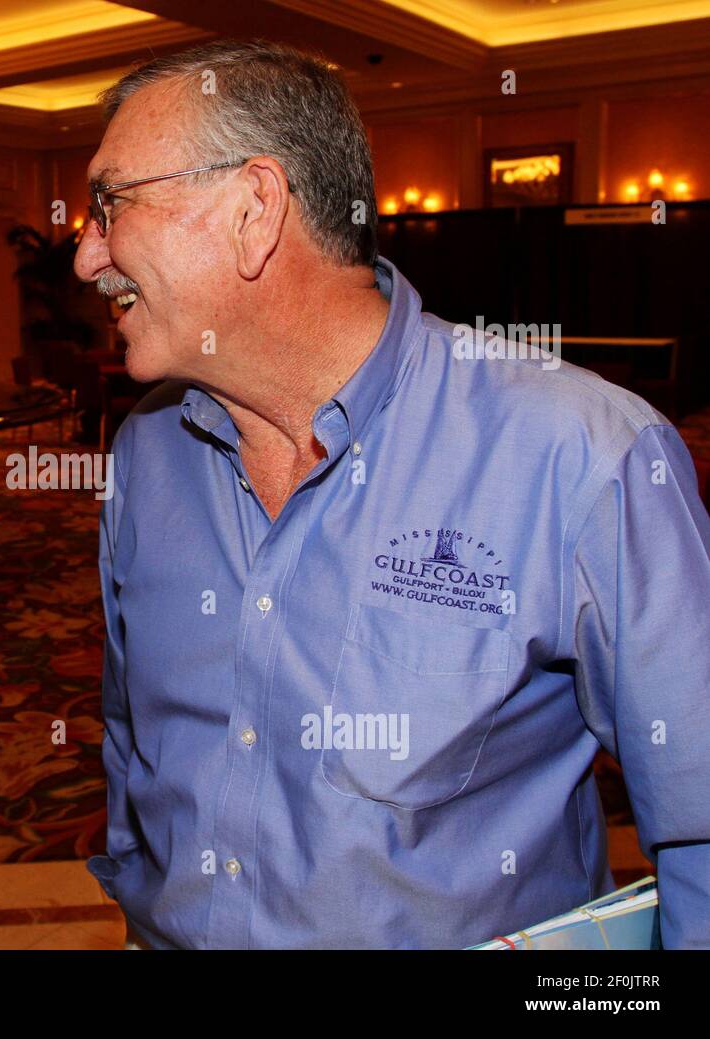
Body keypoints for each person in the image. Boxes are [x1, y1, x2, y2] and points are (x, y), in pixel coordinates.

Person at [74, 38, 710, 949]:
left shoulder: (580, 454)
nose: (87, 255)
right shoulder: (147, 454)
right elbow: (135, 747)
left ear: (255, 208)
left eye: (110, 204)